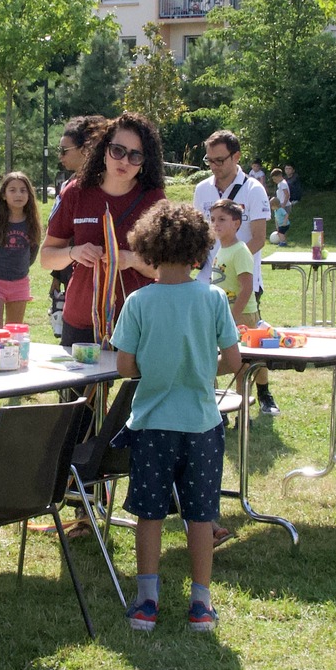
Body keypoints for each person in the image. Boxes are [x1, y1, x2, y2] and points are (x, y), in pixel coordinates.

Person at [111, 202, 241, 634]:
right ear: (199, 252)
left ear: (147, 250)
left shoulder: (138, 301)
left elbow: (125, 366)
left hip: (151, 425)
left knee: (149, 514)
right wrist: (201, 368)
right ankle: (201, 605)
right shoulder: (214, 298)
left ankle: (146, 602)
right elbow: (233, 361)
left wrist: (156, 367)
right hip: (203, 423)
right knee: (200, 515)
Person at [40, 112, 168, 349]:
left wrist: (131, 259)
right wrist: (73, 252)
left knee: (136, 388)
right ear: (104, 149)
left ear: (145, 161)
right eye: (118, 151)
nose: (124, 162)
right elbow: (46, 258)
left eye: (135, 155)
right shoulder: (75, 193)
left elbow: (167, 267)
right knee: (80, 388)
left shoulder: (154, 199)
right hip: (81, 319)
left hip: (136, 322)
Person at [191, 131, 274, 409]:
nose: (214, 166)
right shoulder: (202, 189)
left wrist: (231, 263)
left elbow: (259, 238)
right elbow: (198, 235)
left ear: (236, 157)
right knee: (206, 345)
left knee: (247, 343)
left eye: (220, 160)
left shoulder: (253, 189)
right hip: (207, 282)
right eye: (209, 160)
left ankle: (262, 392)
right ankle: (214, 403)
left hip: (242, 281)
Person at [0, 171, 41, 331]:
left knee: (14, 334)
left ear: (29, 195)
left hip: (20, 283)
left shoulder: (32, 222)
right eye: (12, 190)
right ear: (4, 195)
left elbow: (33, 252)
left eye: (23, 190)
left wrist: (21, 269)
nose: (18, 194)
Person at [208, 200, 256, 325]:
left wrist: (232, 318)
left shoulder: (240, 250)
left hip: (242, 315)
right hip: (225, 314)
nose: (215, 224)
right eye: (212, 220)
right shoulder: (222, 249)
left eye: (222, 219)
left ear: (236, 223)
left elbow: (247, 288)